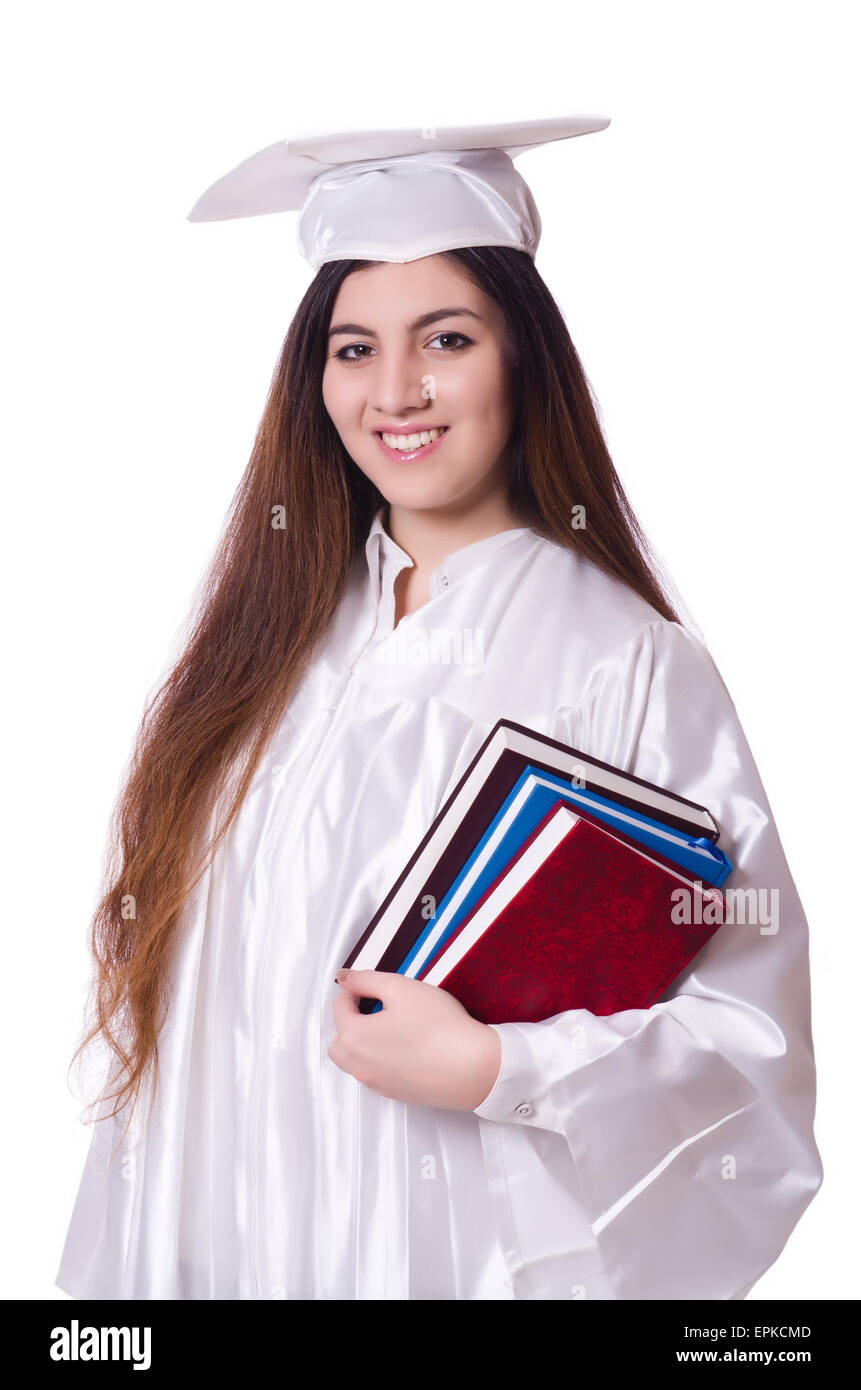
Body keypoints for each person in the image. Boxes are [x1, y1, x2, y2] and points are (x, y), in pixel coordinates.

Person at [55, 118, 823, 1300]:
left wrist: (499, 1064)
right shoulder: (265, 650)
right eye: (353, 349)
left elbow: (747, 1030)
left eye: (446, 339)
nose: (396, 391)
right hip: (216, 1250)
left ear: (525, 360)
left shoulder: (625, 661)